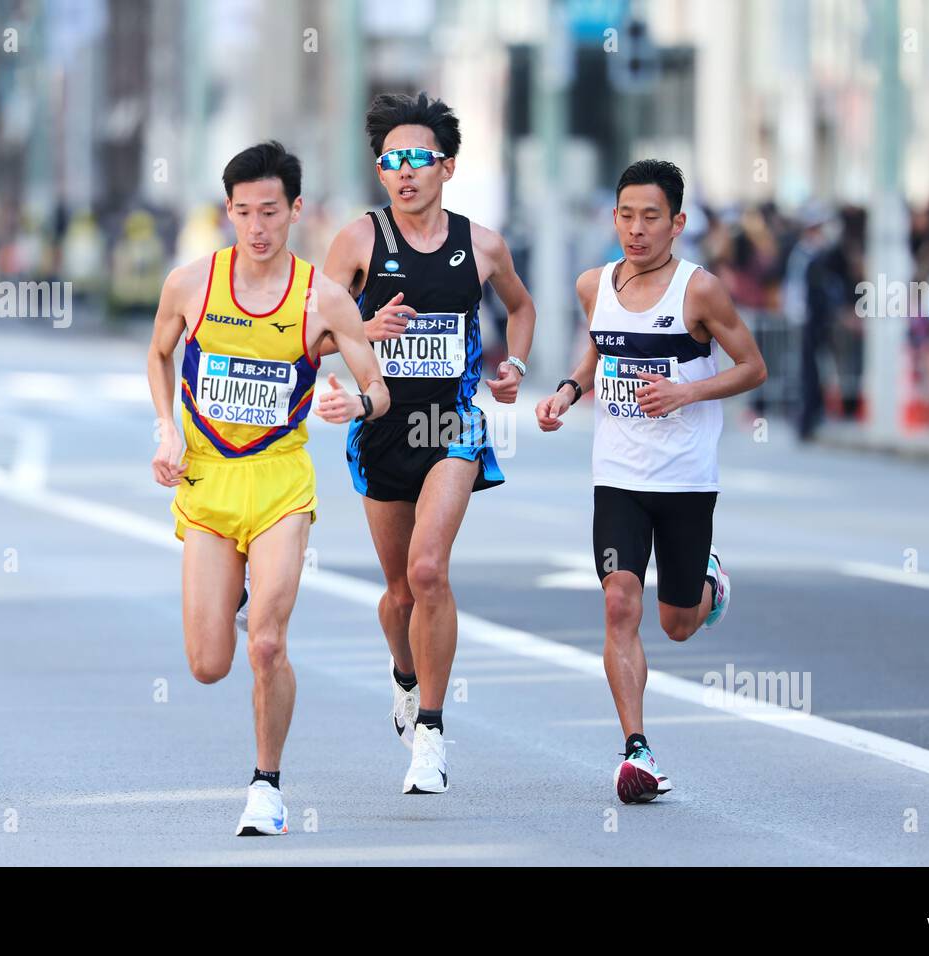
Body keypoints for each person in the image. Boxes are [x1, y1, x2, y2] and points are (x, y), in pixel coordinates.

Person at [147, 141, 389, 834]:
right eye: (244, 212)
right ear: (228, 212)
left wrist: (357, 406)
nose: (257, 227)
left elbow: (379, 385)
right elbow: (160, 353)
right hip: (207, 482)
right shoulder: (192, 284)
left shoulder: (323, 298)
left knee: (266, 646)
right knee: (207, 664)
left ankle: (267, 787)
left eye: (271, 212)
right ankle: (239, 593)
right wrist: (167, 429)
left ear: (296, 211)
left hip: (281, 482)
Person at [322, 92, 536, 794]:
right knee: (395, 594)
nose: (404, 172)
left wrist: (517, 367)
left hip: (452, 423)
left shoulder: (481, 244)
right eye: (391, 161)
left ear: (446, 167)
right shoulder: (358, 240)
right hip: (381, 423)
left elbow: (522, 305)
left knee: (428, 572)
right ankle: (404, 673)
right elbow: (312, 330)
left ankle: (433, 736)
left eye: (417, 159)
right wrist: (361, 332)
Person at [535, 159, 767, 804]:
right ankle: (636, 749)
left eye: (651, 218)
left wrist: (685, 392)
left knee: (677, 625)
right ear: (613, 218)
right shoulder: (593, 284)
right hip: (617, 475)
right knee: (618, 601)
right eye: (626, 216)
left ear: (677, 223)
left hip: (687, 478)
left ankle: (708, 586)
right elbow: (599, 348)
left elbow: (752, 367)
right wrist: (567, 390)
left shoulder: (700, 292)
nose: (636, 230)